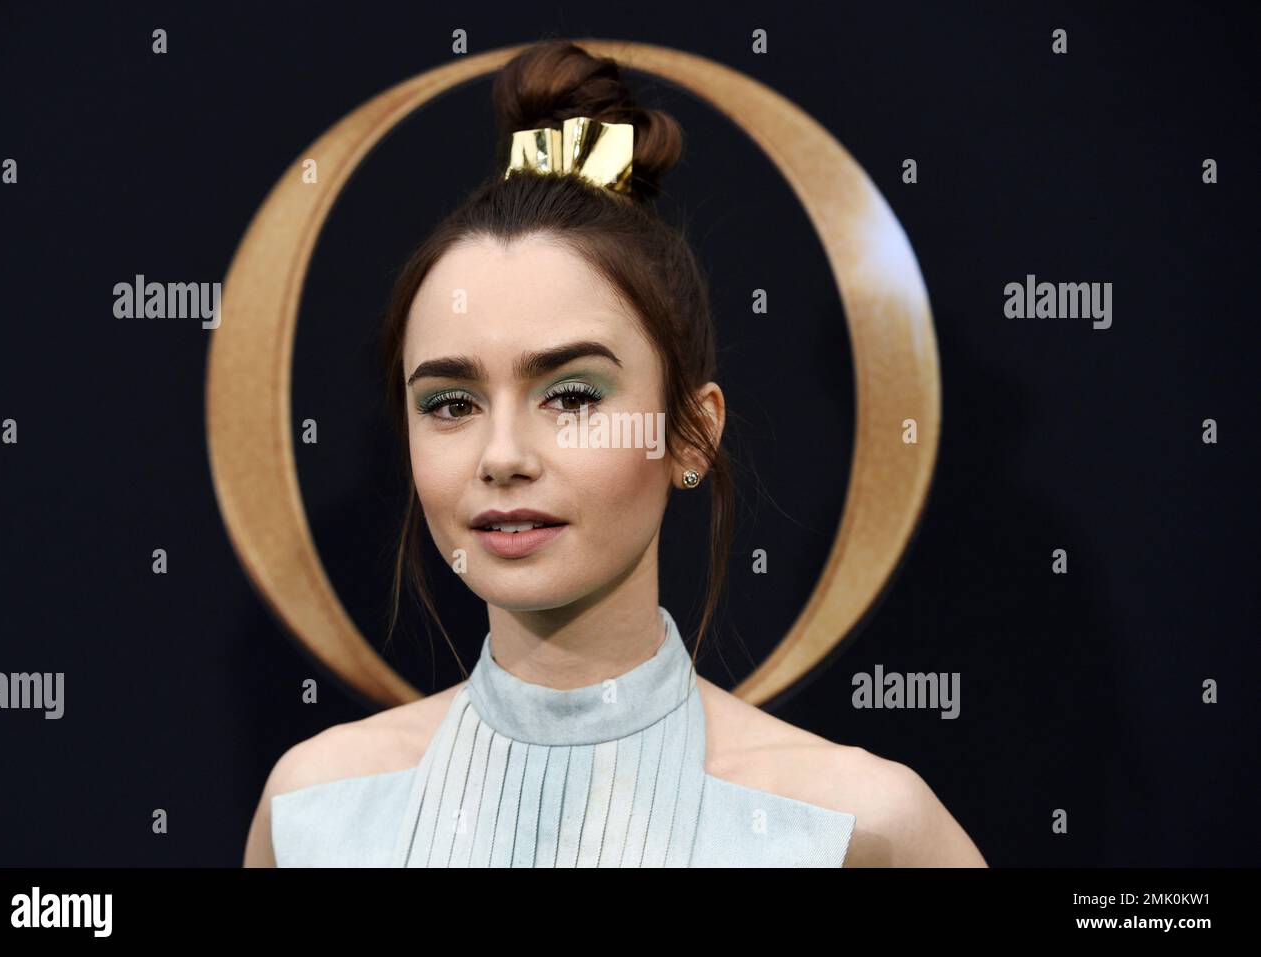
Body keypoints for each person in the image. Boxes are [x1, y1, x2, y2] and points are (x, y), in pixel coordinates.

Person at [243, 39, 986, 867]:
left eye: (571, 396)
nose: (503, 455)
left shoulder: (855, 826)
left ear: (691, 433)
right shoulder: (313, 816)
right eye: (451, 402)